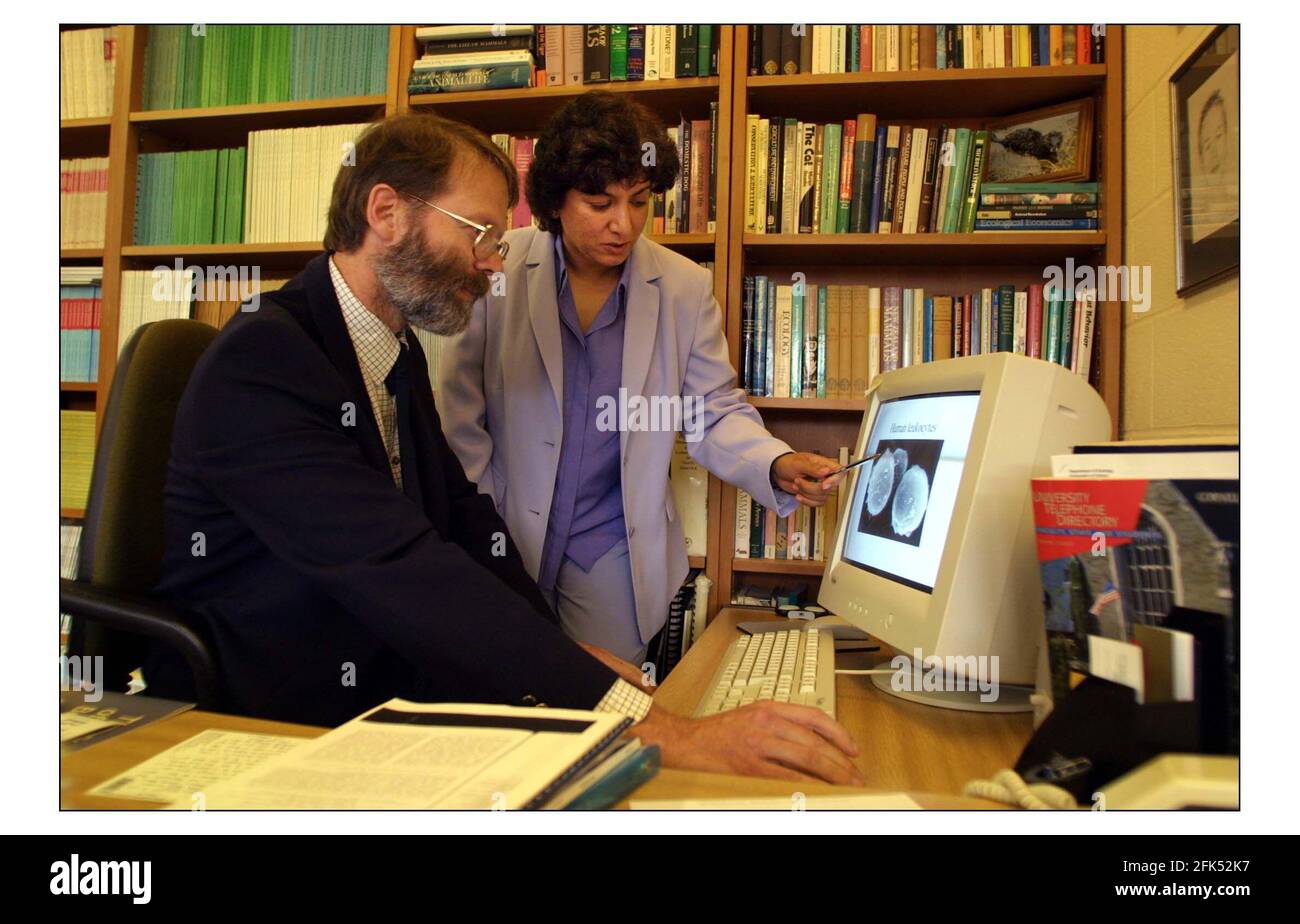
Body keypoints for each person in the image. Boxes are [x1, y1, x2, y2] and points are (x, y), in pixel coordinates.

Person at [147, 112, 863, 786]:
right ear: (386, 212)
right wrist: (658, 727)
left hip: (385, 672)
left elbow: (461, 522)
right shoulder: (267, 361)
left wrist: (564, 653)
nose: (493, 265)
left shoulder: (387, 347)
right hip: (275, 713)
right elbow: (405, 568)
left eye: (497, 240)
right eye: (480, 234)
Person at [439, 92, 842, 663]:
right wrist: (475, 522)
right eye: (599, 203)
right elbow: (461, 419)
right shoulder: (498, 266)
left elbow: (713, 410)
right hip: (500, 529)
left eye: (638, 201)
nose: (622, 224)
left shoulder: (682, 286)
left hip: (612, 549)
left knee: (603, 714)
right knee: (504, 700)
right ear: (556, 199)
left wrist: (775, 462)